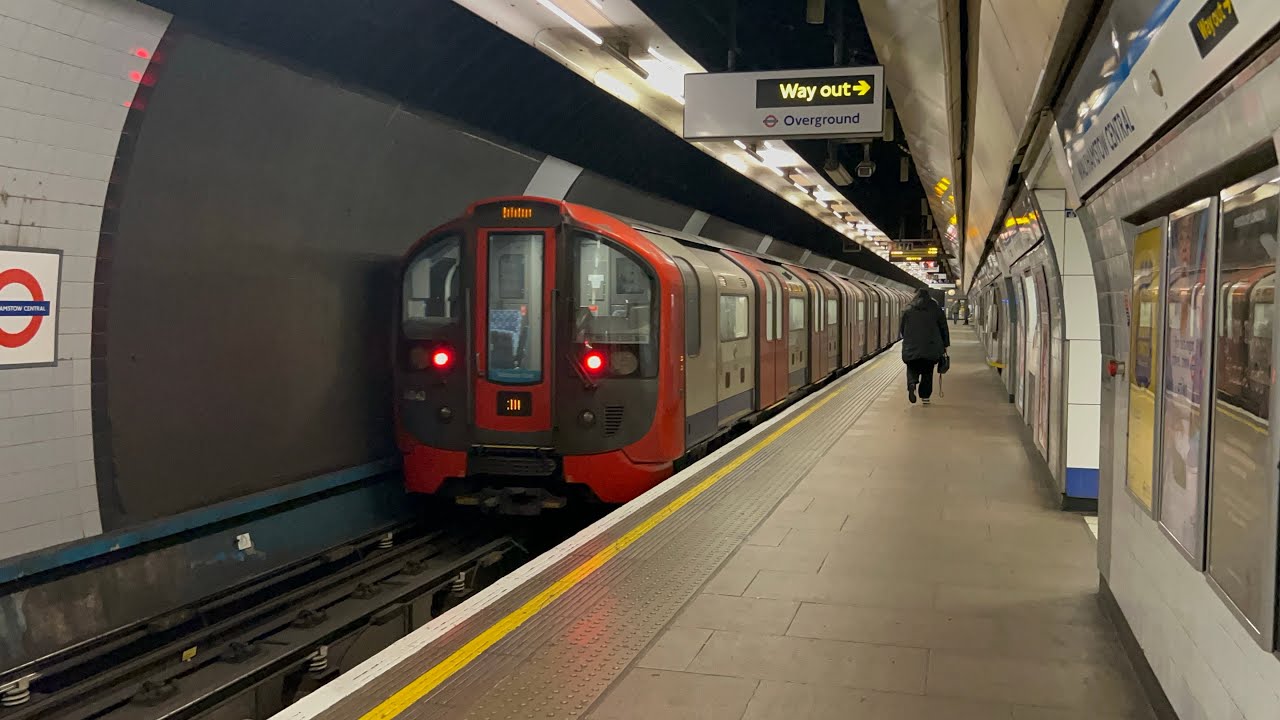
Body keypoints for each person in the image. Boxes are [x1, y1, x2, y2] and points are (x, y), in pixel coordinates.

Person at [900, 288, 950, 404]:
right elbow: (943, 328)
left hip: (911, 346)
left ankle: (912, 383)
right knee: (928, 371)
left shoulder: (907, 310)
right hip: (931, 347)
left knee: (912, 366)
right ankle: (925, 396)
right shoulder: (936, 310)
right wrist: (945, 344)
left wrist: (908, 339)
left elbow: (902, 329)